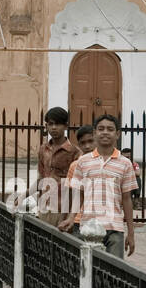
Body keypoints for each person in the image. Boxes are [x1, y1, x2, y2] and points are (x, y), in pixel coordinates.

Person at [62, 113, 137, 258]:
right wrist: (71, 218)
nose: (105, 132)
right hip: (88, 227)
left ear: (117, 134)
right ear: (95, 133)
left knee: (113, 273)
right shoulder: (83, 162)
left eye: (110, 129)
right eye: (101, 128)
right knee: (86, 270)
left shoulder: (125, 164)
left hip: (114, 228)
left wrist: (131, 233)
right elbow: (79, 194)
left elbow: (127, 199)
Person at [34, 107, 79, 224]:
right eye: (50, 124)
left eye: (58, 124)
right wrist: (25, 196)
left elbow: (77, 187)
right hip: (45, 206)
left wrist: (71, 215)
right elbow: (41, 178)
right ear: (46, 126)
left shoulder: (74, 152)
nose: (54, 127)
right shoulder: (43, 150)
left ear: (66, 126)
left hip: (63, 209)